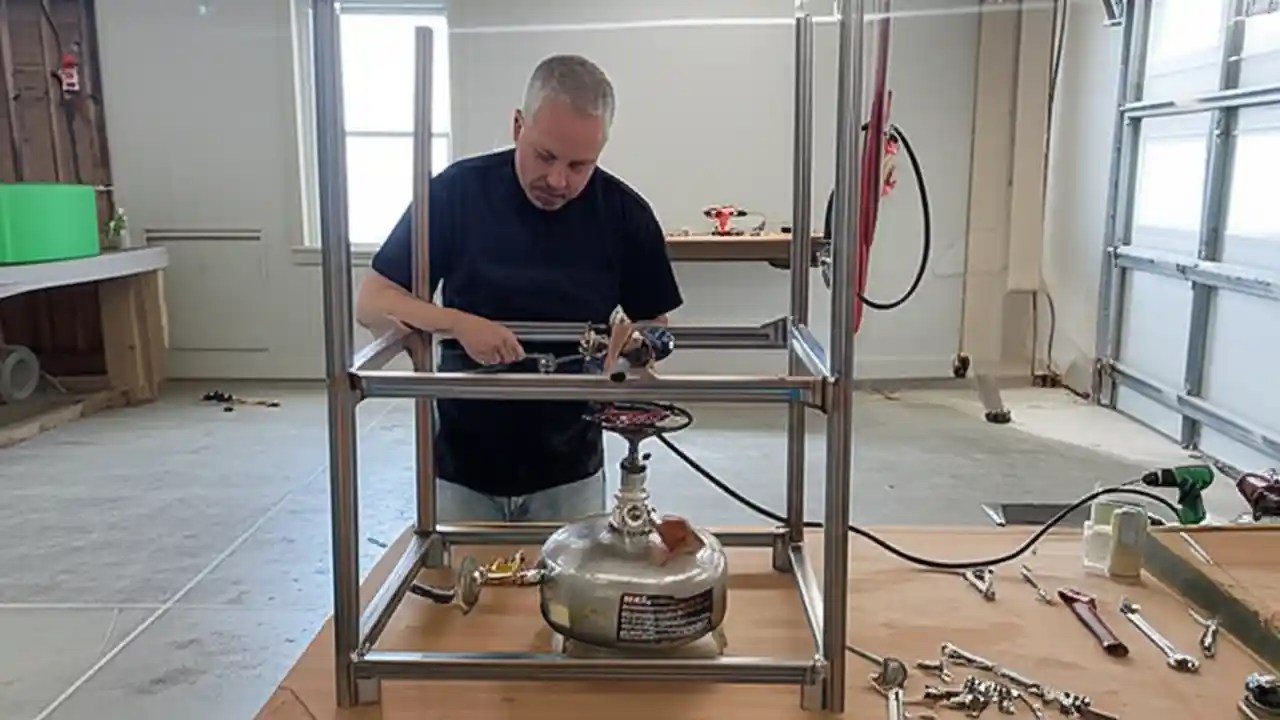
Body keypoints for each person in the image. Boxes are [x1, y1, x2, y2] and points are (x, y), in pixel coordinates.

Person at [354, 54, 683, 524]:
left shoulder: (626, 216)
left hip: (570, 470)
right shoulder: (455, 195)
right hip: (462, 467)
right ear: (516, 125)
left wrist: (636, 349)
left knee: (570, 597)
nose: (557, 180)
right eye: (545, 156)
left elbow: (655, 326)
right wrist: (459, 323)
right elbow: (373, 302)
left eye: (579, 165)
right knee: (462, 595)